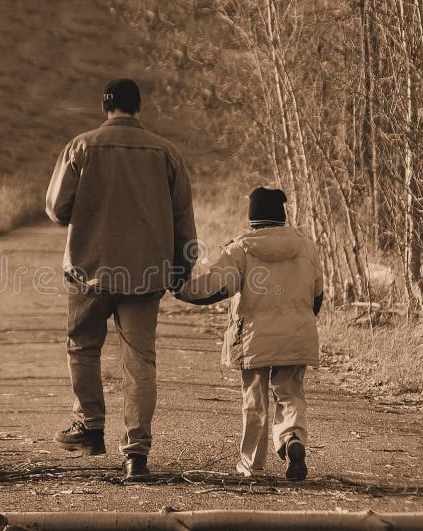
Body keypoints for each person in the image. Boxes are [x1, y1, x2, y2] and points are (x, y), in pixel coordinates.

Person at [45, 79, 196, 481]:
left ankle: (90, 428)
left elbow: (57, 209)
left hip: (89, 270)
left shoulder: (81, 147)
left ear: (104, 106)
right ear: (138, 107)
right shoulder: (166, 152)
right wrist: (182, 268)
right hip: (146, 274)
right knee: (140, 361)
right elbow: (183, 217)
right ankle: (137, 454)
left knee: (83, 348)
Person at [176, 187, 323, 481]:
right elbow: (317, 296)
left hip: (254, 339)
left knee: (255, 402)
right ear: (281, 215)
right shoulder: (306, 247)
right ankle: (293, 438)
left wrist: (181, 288)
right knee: (291, 394)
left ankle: (252, 464)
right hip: (297, 335)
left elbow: (215, 288)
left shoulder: (241, 249)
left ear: (252, 217)